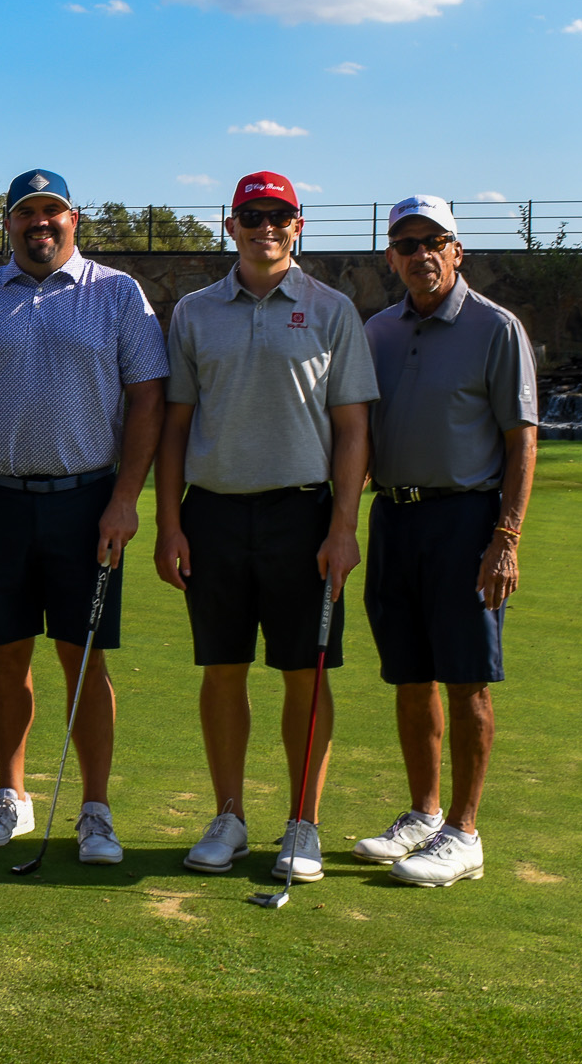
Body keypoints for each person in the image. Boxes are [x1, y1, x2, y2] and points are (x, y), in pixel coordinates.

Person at [0, 169, 167, 864]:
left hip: (88, 502)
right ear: (7, 223)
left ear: (73, 218)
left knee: (83, 656)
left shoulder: (117, 293)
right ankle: (12, 794)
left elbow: (148, 398)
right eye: (25, 212)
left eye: (51, 211)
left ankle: (95, 808)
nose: (40, 223)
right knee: (7, 652)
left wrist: (127, 497)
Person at [153, 171, 377, 883]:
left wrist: (343, 527)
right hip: (213, 511)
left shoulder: (332, 308)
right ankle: (228, 815)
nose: (265, 227)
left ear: (299, 224)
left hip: (304, 513)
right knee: (222, 669)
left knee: (304, 673)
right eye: (252, 215)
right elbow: (174, 425)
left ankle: (303, 823)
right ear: (231, 226)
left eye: (278, 215)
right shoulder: (193, 311)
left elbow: (353, 430)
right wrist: (168, 523)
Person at [353, 194, 538, 887]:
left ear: (457, 251)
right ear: (391, 256)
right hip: (395, 517)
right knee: (409, 674)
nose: (421, 253)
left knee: (468, 679)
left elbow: (522, 439)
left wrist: (506, 537)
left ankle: (465, 830)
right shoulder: (378, 331)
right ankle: (424, 814)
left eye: (435, 240)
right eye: (406, 243)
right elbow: (361, 436)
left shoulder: (496, 327)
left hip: (467, 520)